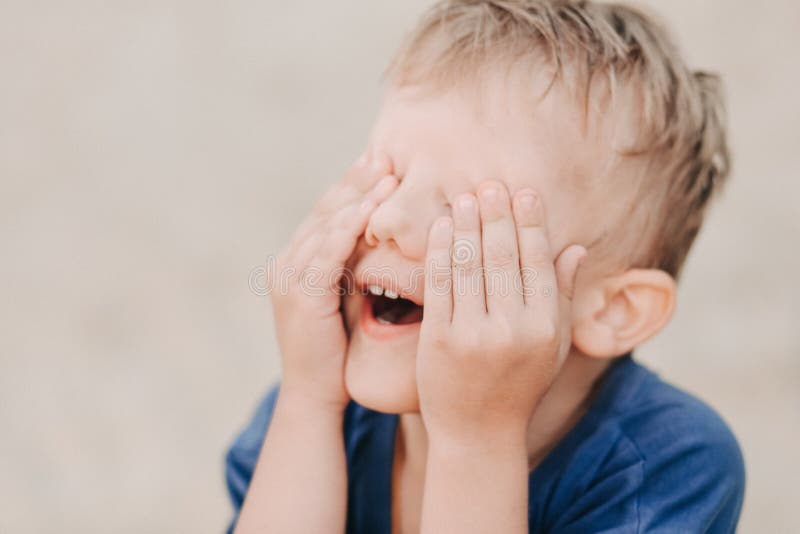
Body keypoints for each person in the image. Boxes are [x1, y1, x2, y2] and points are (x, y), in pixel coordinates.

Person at [226, 1, 745, 532]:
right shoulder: (314, 414)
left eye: (467, 209)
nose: (387, 218)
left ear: (614, 309)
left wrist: (477, 440)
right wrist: (307, 401)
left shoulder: (667, 464)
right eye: (387, 177)